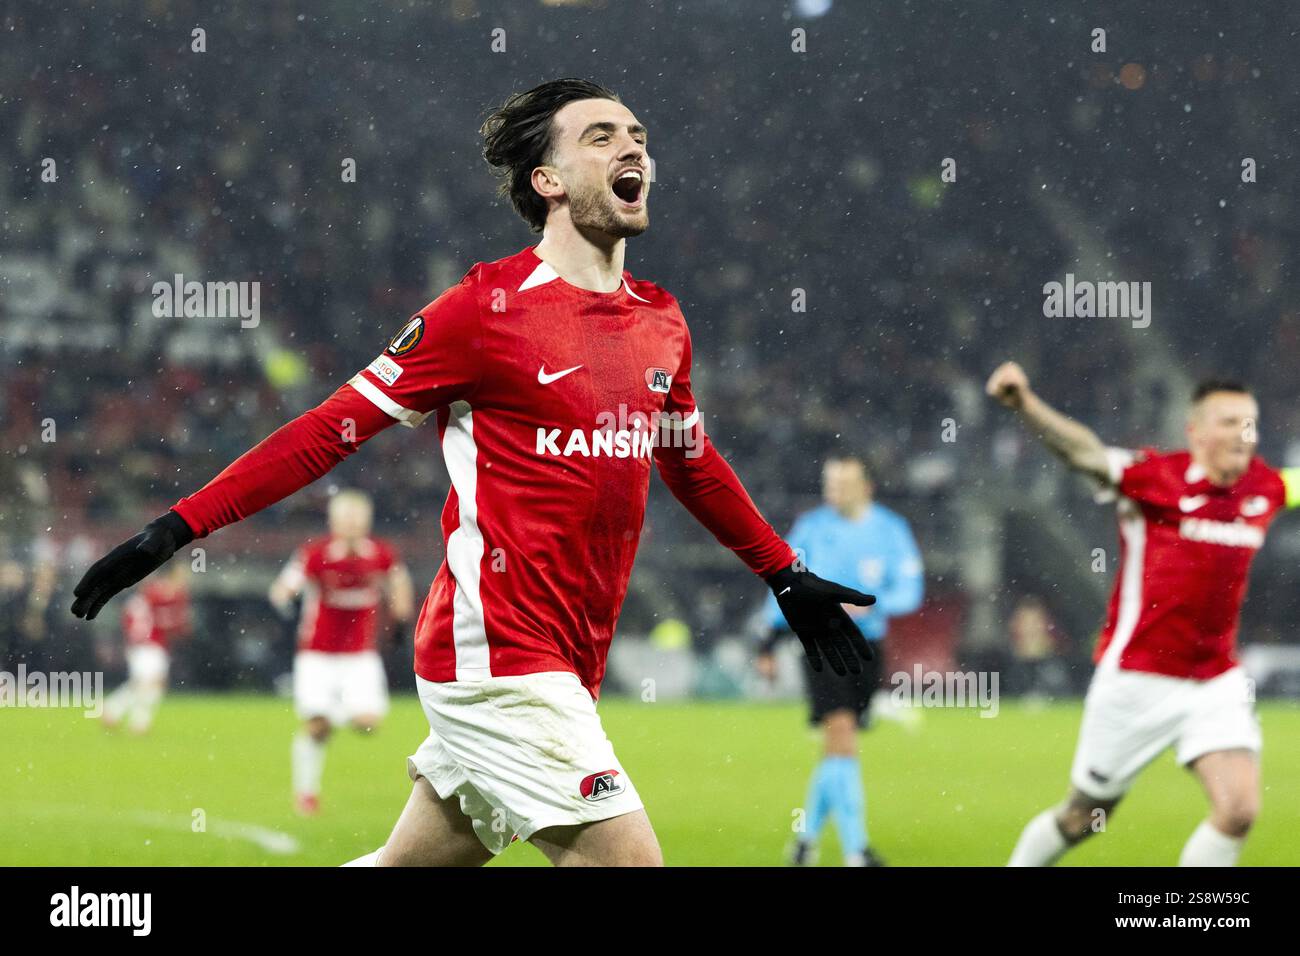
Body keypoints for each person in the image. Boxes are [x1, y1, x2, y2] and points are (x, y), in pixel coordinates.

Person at [70, 78, 874, 867]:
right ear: (547, 181)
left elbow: (691, 466)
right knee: (627, 860)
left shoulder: (661, 321)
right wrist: (177, 527)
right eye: (601, 136)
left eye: (638, 136)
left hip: (570, 656)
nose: (632, 146)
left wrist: (783, 572)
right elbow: (329, 431)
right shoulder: (484, 310)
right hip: (498, 655)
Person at [988, 362, 1300, 866]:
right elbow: (1083, 452)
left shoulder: (1265, 488)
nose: (1244, 434)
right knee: (1085, 818)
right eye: (1229, 421)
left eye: (1251, 423)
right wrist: (1025, 403)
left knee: (1239, 808)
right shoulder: (1157, 476)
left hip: (1216, 680)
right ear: (1195, 430)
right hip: (1138, 680)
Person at [757, 455, 923, 866]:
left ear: (866, 487)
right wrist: (767, 639)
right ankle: (856, 850)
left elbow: (910, 589)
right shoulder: (812, 528)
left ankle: (805, 842)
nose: (834, 491)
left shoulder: (891, 530)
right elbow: (784, 581)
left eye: (843, 483)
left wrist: (873, 605)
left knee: (837, 747)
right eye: (830, 483)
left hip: (868, 649)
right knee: (843, 735)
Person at [269, 489, 414, 815]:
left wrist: (402, 620)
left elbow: (399, 584)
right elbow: (281, 590)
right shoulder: (314, 554)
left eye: (356, 516)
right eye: (344, 516)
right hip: (317, 654)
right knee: (317, 727)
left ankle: (327, 712)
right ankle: (306, 794)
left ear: (367, 519)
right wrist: (288, 601)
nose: (350, 522)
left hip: (360, 655)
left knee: (367, 724)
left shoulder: (382, 554)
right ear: (333, 520)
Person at [102, 560, 192, 734]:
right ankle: (134, 720)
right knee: (150, 684)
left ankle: (116, 712)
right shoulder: (159, 594)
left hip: (146, 645)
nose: (185, 579)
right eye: (182, 574)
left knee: (145, 684)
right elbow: (165, 621)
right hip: (149, 645)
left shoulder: (162, 594)